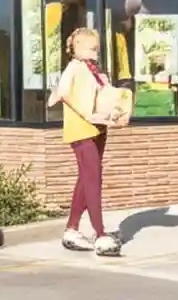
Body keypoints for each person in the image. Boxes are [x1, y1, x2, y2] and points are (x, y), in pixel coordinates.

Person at [47, 27, 122, 257]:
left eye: (96, 47)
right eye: (91, 46)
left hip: (99, 127)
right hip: (81, 129)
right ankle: (100, 234)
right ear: (77, 47)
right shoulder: (74, 67)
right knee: (93, 179)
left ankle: (72, 229)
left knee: (87, 177)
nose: (95, 50)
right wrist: (84, 112)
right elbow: (60, 94)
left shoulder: (96, 71)